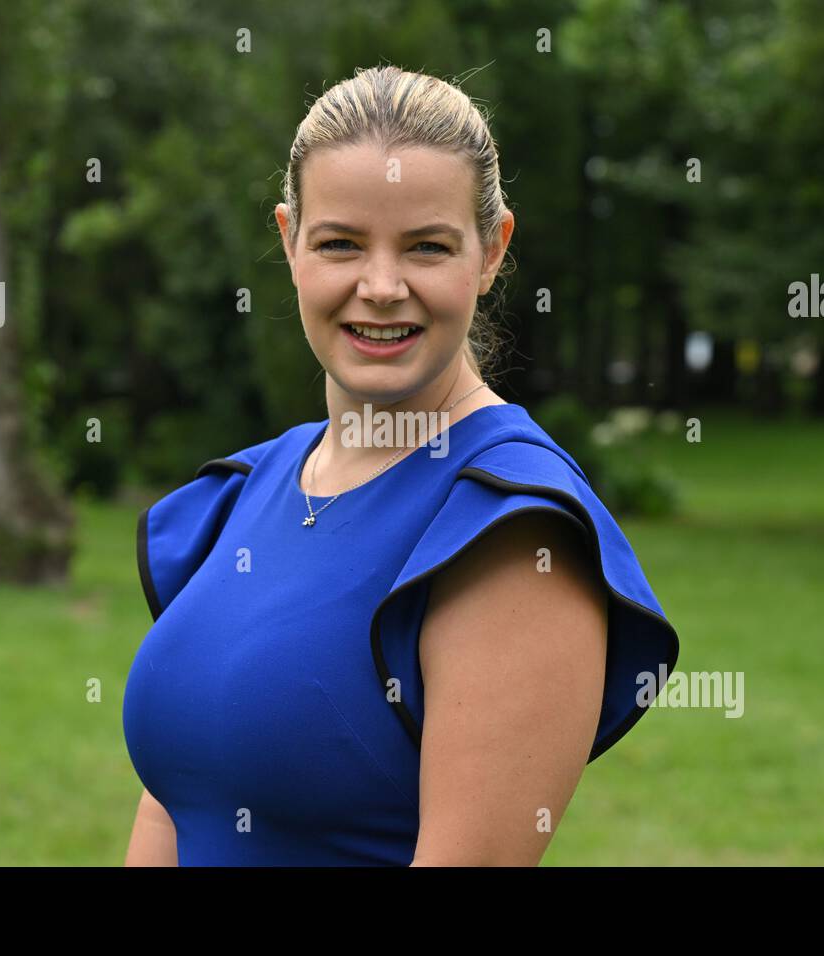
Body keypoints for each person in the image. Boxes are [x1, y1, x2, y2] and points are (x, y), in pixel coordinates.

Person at [122, 64, 679, 866]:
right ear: (288, 242)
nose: (380, 287)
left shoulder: (513, 530)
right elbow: (173, 805)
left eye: (426, 247)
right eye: (340, 243)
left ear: (491, 252)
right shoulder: (240, 495)